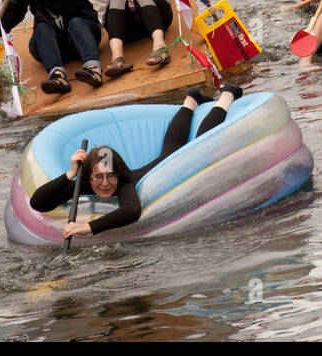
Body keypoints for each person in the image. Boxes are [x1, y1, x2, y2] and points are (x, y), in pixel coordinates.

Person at [30, 82, 245, 239]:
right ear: (89, 175)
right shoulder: (81, 182)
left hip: (159, 171)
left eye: (110, 176)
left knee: (194, 150)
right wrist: (70, 174)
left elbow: (131, 211)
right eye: (99, 177)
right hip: (140, 167)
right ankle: (191, 100)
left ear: (118, 174)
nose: (105, 183)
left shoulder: (123, 184)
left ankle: (226, 95)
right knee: (170, 149)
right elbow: (38, 202)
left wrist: (87, 227)